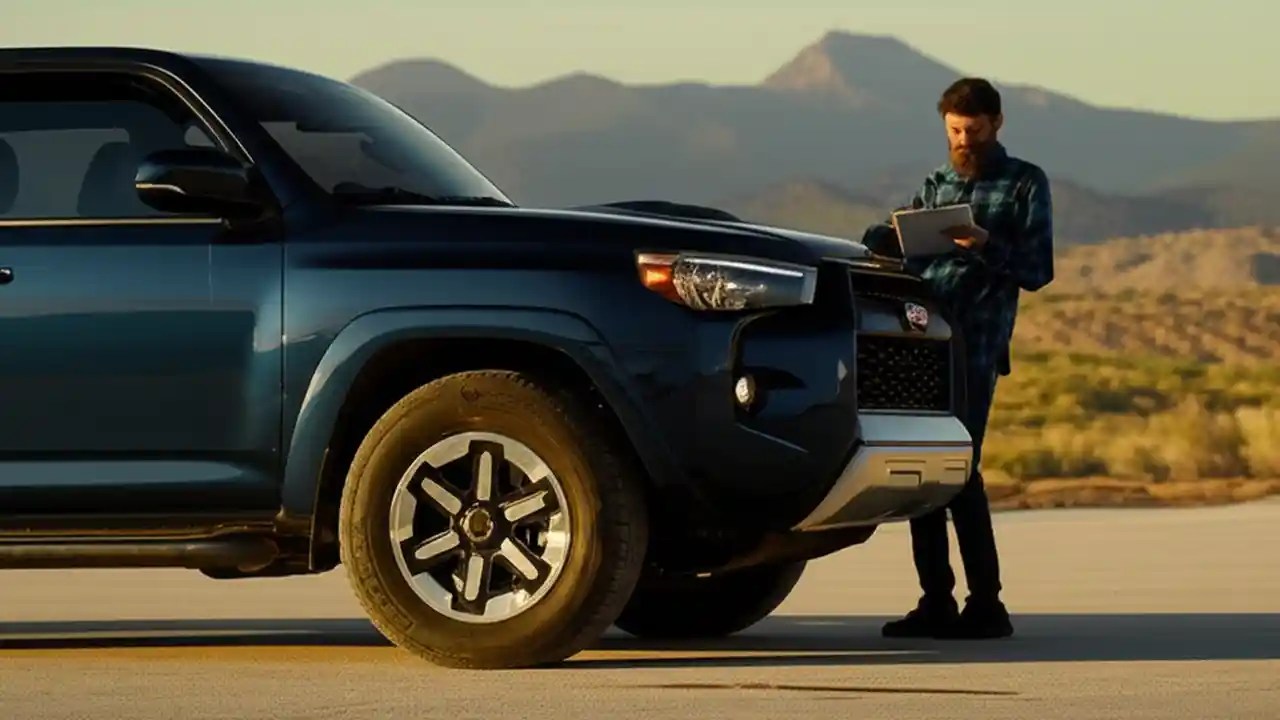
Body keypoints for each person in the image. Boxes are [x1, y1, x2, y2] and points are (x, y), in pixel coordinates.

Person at [860, 77, 1055, 639]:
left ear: (996, 123)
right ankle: (935, 601)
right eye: (953, 131)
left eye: (972, 130)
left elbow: (1038, 270)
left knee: (961, 470)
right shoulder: (937, 184)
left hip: (977, 343)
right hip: (921, 340)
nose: (963, 140)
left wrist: (985, 245)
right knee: (924, 470)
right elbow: (901, 243)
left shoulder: (1024, 184)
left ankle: (987, 604)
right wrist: (887, 236)